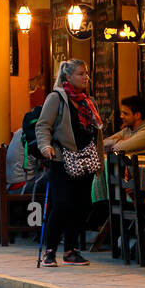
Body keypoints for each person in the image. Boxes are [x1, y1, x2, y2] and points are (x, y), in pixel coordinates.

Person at [35, 59, 103, 267]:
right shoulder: (56, 98)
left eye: (86, 74)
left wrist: (99, 157)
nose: (85, 78)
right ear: (68, 77)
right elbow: (43, 125)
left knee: (81, 205)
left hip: (85, 160)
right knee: (63, 204)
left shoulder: (86, 101)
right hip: (61, 159)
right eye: (81, 74)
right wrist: (45, 146)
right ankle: (50, 250)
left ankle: (71, 250)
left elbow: (95, 129)